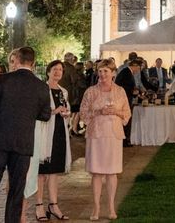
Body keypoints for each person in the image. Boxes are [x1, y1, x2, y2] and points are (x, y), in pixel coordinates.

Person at [0, 47, 52, 223]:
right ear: (33, 63)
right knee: (17, 191)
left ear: (16, 59)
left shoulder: (2, 80)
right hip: (23, 143)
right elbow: (45, 115)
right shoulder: (41, 86)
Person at [80, 61, 131, 221]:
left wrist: (116, 112)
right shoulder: (91, 91)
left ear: (113, 73)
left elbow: (127, 113)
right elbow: (83, 112)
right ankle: (96, 207)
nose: (102, 74)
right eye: (100, 71)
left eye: (106, 71)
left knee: (112, 173)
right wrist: (98, 111)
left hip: (114, 136)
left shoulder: (120, 91)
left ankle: (111, 207)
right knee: (96, 173)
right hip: (96, 135)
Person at [34, 60, 72, 221]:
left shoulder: (63, 91)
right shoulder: (41, 89)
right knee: (42, 173)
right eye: (55, 69)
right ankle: (39, 205)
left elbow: (67, 108)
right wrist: (55, 111)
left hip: (59, 133)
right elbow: (38, 111)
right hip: (44, 133)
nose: (58, 72)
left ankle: (53, 204)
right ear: (48, 71)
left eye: (60, 70)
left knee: (54, 171)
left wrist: (66, 113)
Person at [114, 58, 142, 147]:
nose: (139, 70)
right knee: (125, 119)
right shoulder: (126, 72)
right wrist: (132, 91)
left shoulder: (127, 72)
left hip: (126, 98)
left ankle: (125, 140)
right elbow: (121, 86)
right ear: (134, 66)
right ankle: (124, 140)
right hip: (123, 100)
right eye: (139, 68)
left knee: (126, 119)